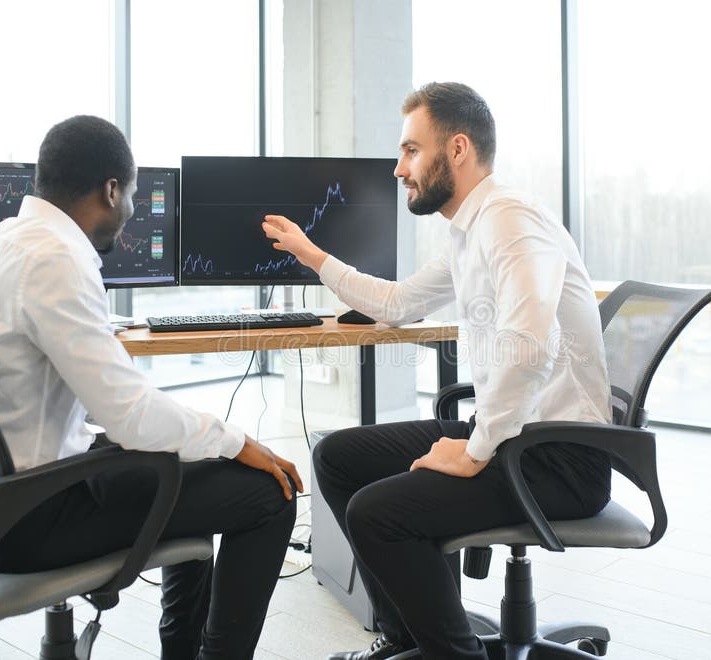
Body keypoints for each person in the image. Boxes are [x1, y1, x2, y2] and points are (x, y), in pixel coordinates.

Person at [261, 82, 613, 660]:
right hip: (516, 436)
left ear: (456, 149)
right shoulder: (469, 230)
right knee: (337, 458)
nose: (399, 169)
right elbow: (399, 304)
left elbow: (527, 348)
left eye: (410, 151)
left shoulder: (510, 220)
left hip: (558, 458)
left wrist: (474, 451)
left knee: (377, 514)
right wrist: (311, 254)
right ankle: (409, 642)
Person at [0, 115, 303, 660]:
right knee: (268, 493)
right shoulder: (55, 257)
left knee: (188, 451)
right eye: (131, 195)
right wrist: (238, 440)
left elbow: (114, 411)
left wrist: (212, 439)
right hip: (26, 518)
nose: (132, 210)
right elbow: (129, 417)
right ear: (111, 190)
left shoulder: (2, 239)